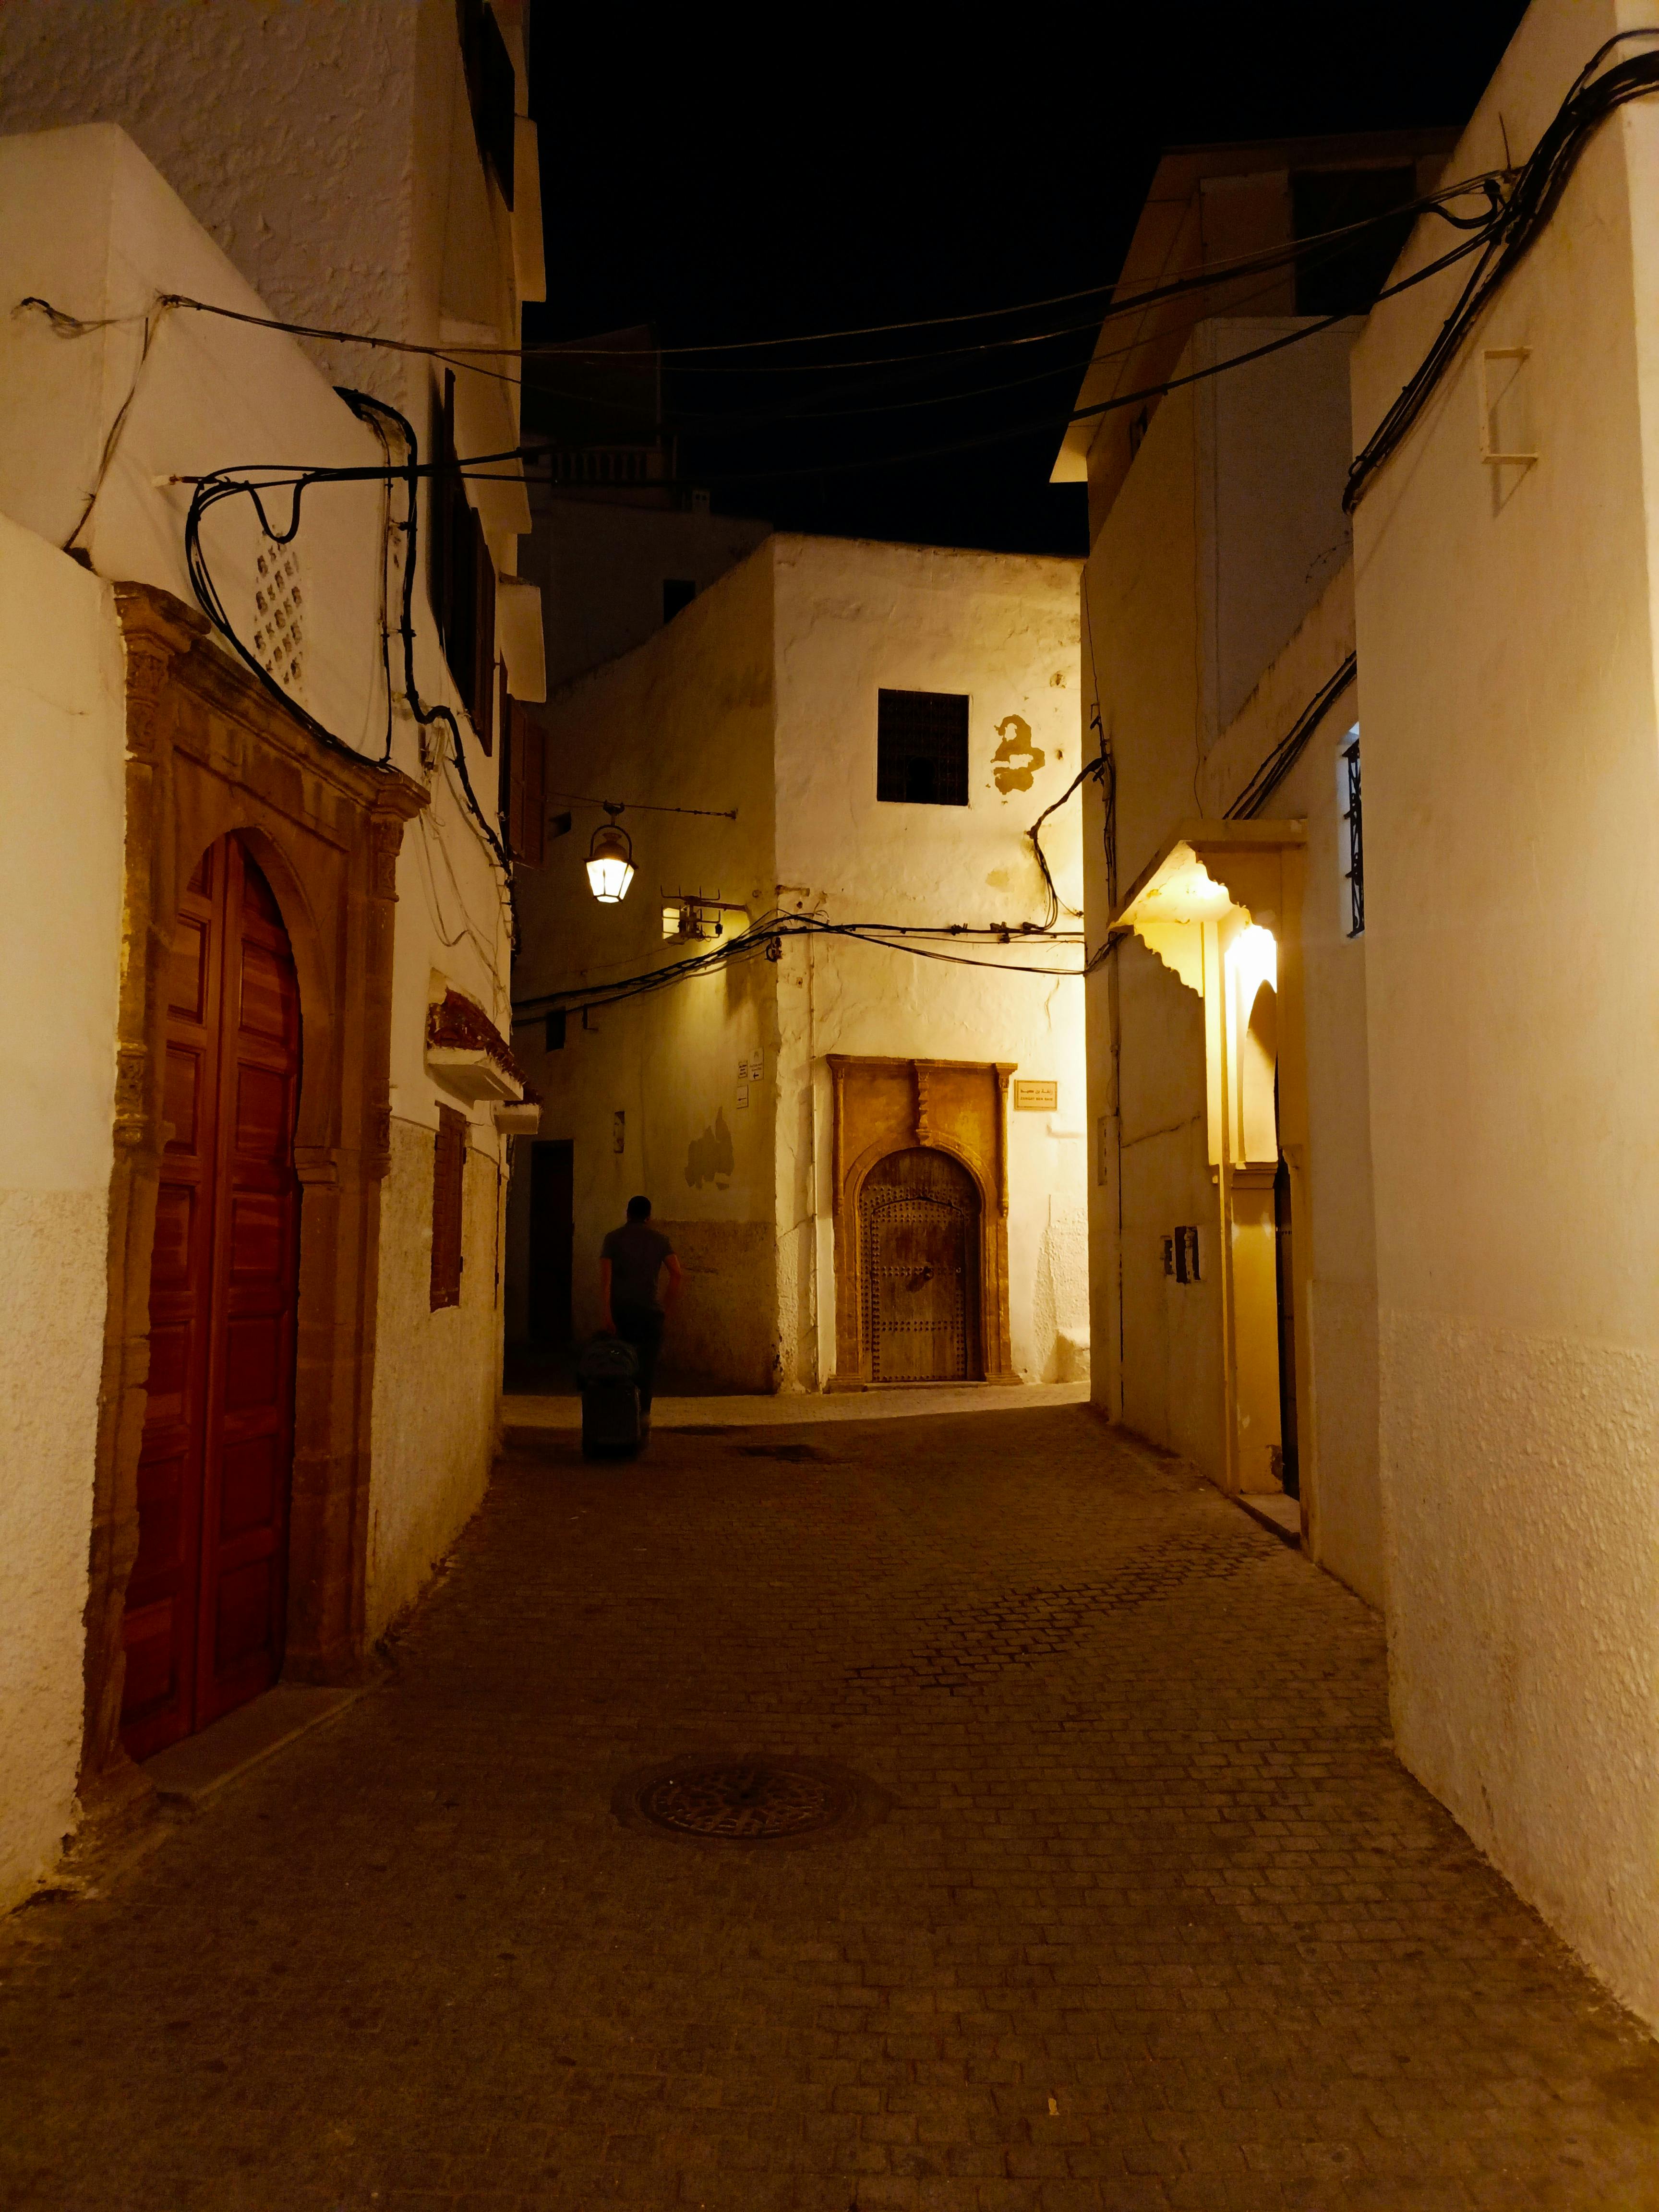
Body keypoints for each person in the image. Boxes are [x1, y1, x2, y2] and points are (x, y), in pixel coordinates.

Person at [599, 1196, 682, 1422]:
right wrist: (665, 1306)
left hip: (622, 1311)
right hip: (650, 1313)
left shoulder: (613, 1239)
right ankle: (644, 1414)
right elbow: (677, 1273)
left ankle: (621, 1415)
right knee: (647, 1367)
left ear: (628, 1213)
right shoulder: (660, 1240)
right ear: (649, 1217)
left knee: (621, 1365)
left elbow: (606, 1281)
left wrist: (607, 1314)